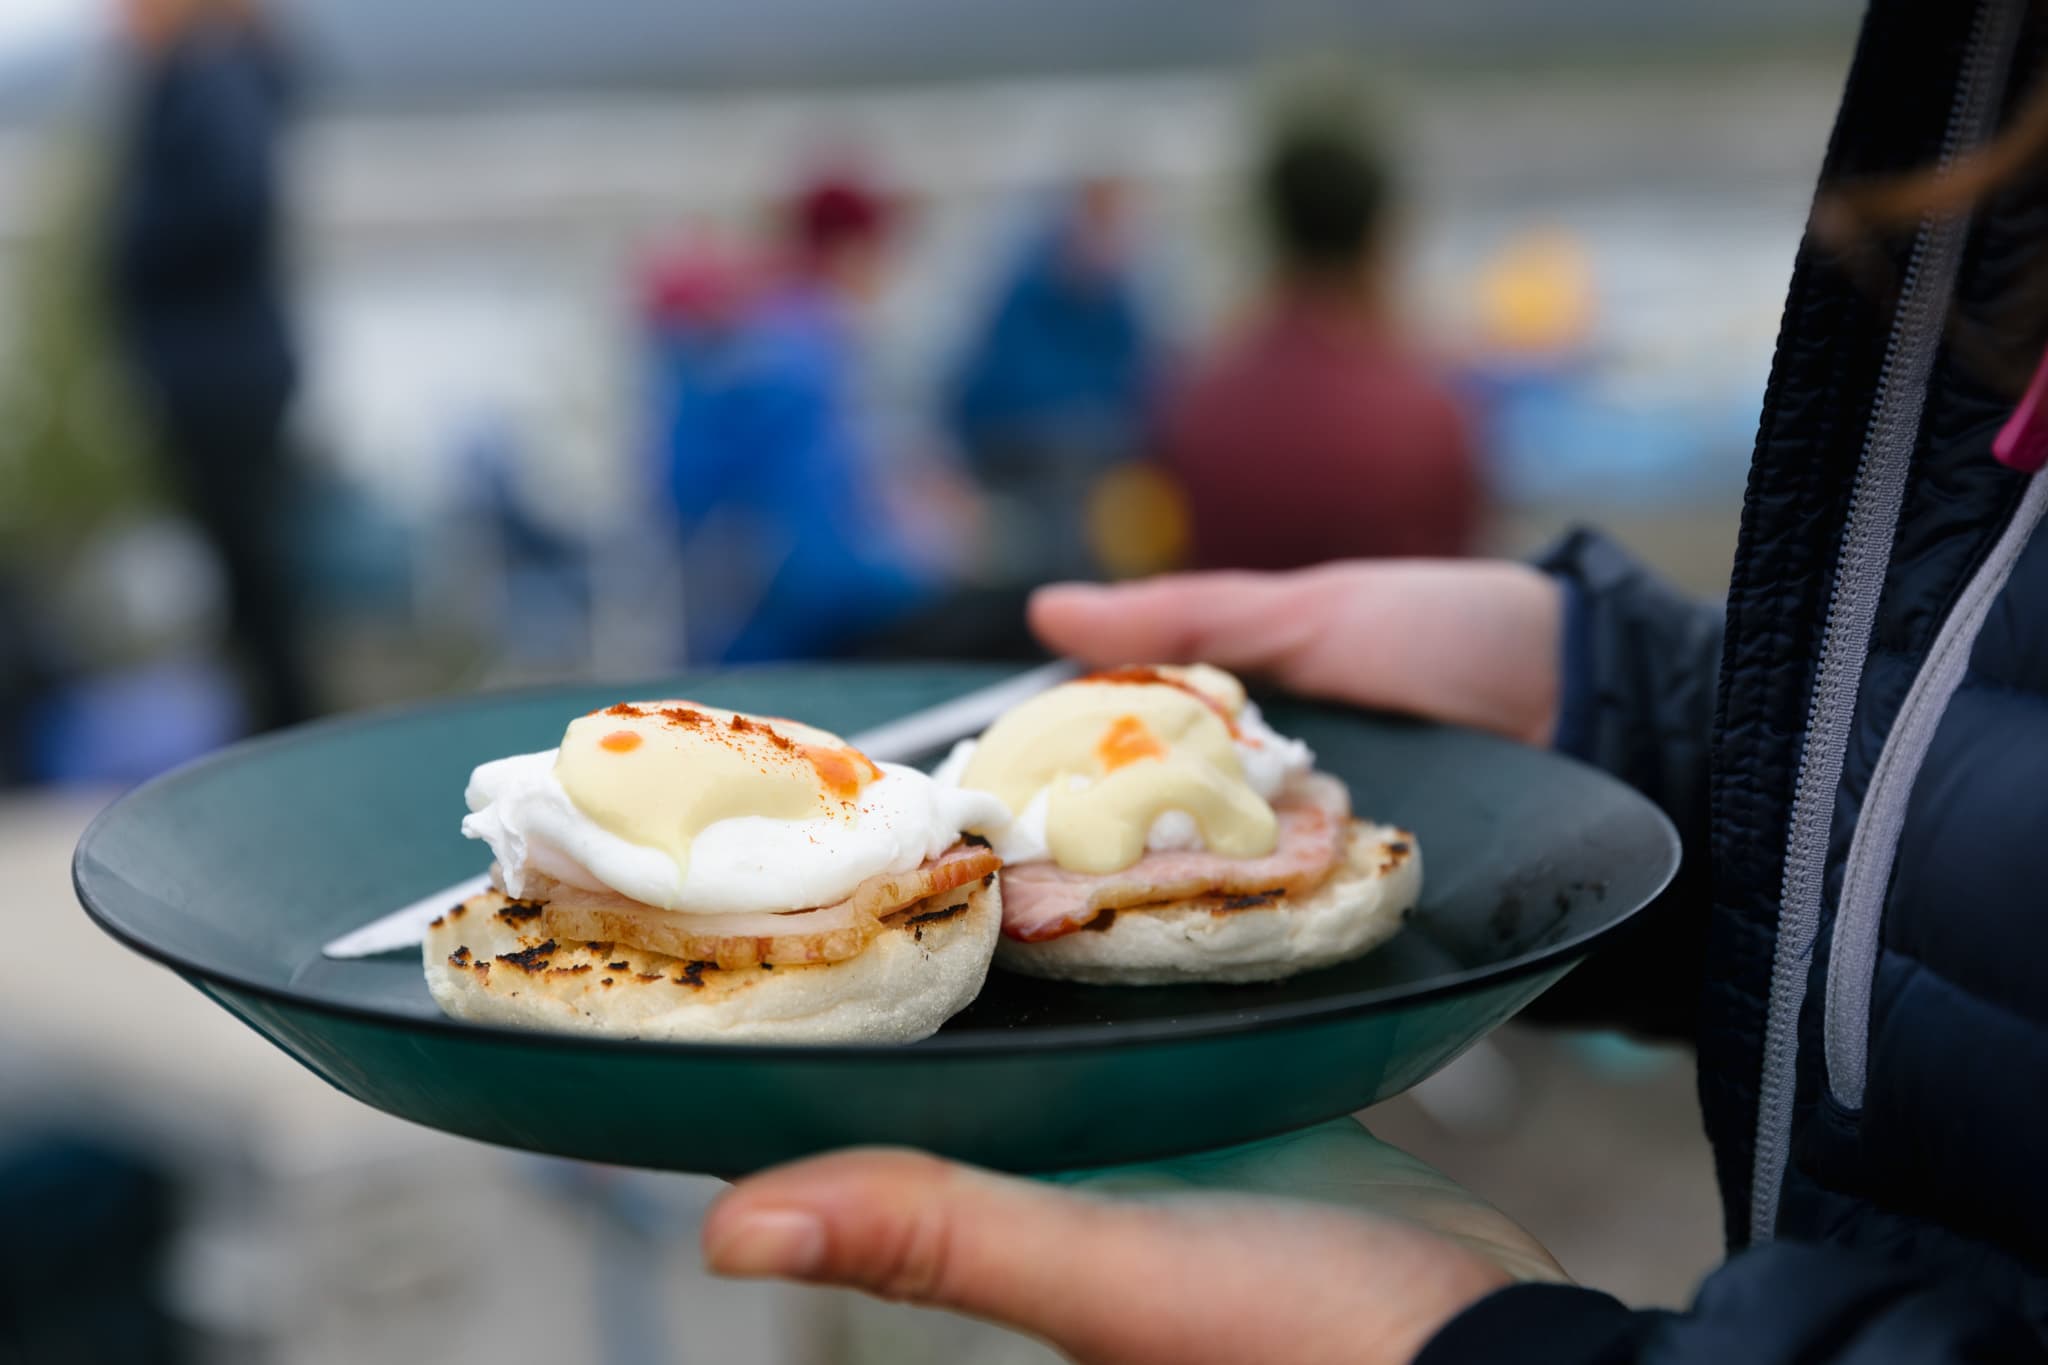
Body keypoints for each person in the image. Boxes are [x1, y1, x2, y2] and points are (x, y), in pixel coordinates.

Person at [698, 4, 2048, 1360]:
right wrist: (1612, 695)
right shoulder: (1424, 398)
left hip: (1232, 764)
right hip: (1308, 798)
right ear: (1381, 227)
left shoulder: (1198, 387)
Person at [1158, 106, 1482, 571]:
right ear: (1379, 237)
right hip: (1383, 641)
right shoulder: (1428, 414)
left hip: (1232, 640)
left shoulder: (1198, 400)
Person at [109, 0, 310, 728]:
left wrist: (138, 245)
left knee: (257, 581)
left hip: (224, 374)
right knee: (245, 580)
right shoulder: (196, 76)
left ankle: (284, 740)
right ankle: (273, 733)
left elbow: (235, 200)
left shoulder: (212, 75)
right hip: (216, 367)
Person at [948, 178, 1157, 581]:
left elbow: (1143, 388)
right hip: (1015, 456)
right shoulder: (1027, 294)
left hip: (1096, 458)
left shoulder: (1118, 303)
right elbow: (1004, 392)